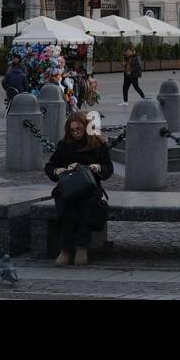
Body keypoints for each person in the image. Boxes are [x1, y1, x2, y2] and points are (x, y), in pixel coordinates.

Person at [45, 111, 113, 266]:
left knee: (86, 204)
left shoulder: (98, 144)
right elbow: (51, 165)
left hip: (90, 188)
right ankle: (66, 249)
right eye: (72, 130)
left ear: (86, 128)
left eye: (78, 130)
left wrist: (97, 167)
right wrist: (57, 171)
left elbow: (108, 167)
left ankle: (81, 246)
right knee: (66, 205)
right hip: (69, 188)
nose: (75, 133)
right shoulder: (64, 145)